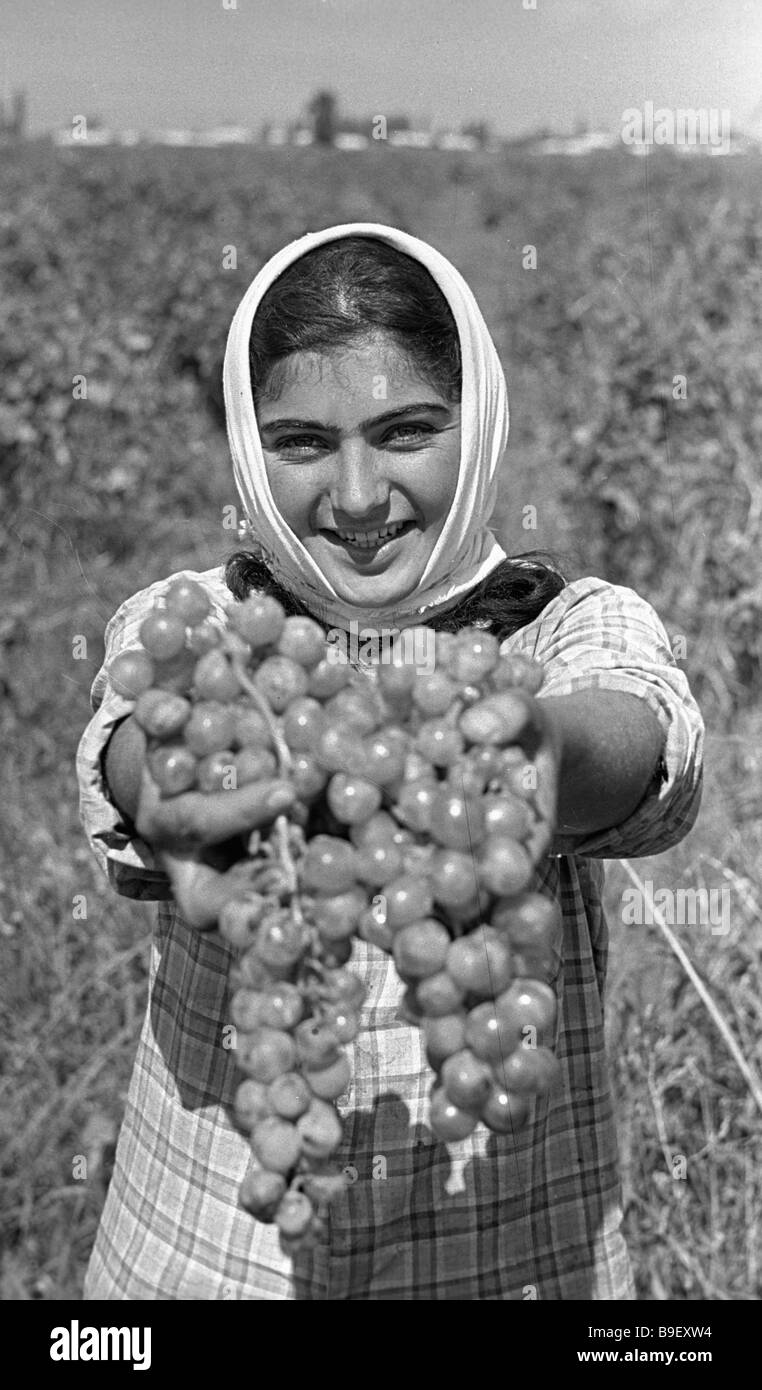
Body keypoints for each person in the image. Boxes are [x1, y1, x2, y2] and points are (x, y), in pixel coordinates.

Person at [76, 222, 704, 1300]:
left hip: (513, 1259)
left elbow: (643, 741)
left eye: (406, 431)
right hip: (211, 1262)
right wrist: (174, 774)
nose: (359, 497)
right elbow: (132, 745)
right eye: (304, 442)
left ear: (481, 419)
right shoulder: (206, 626)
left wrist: (528, 747)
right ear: (246, 443)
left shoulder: (558, 630)